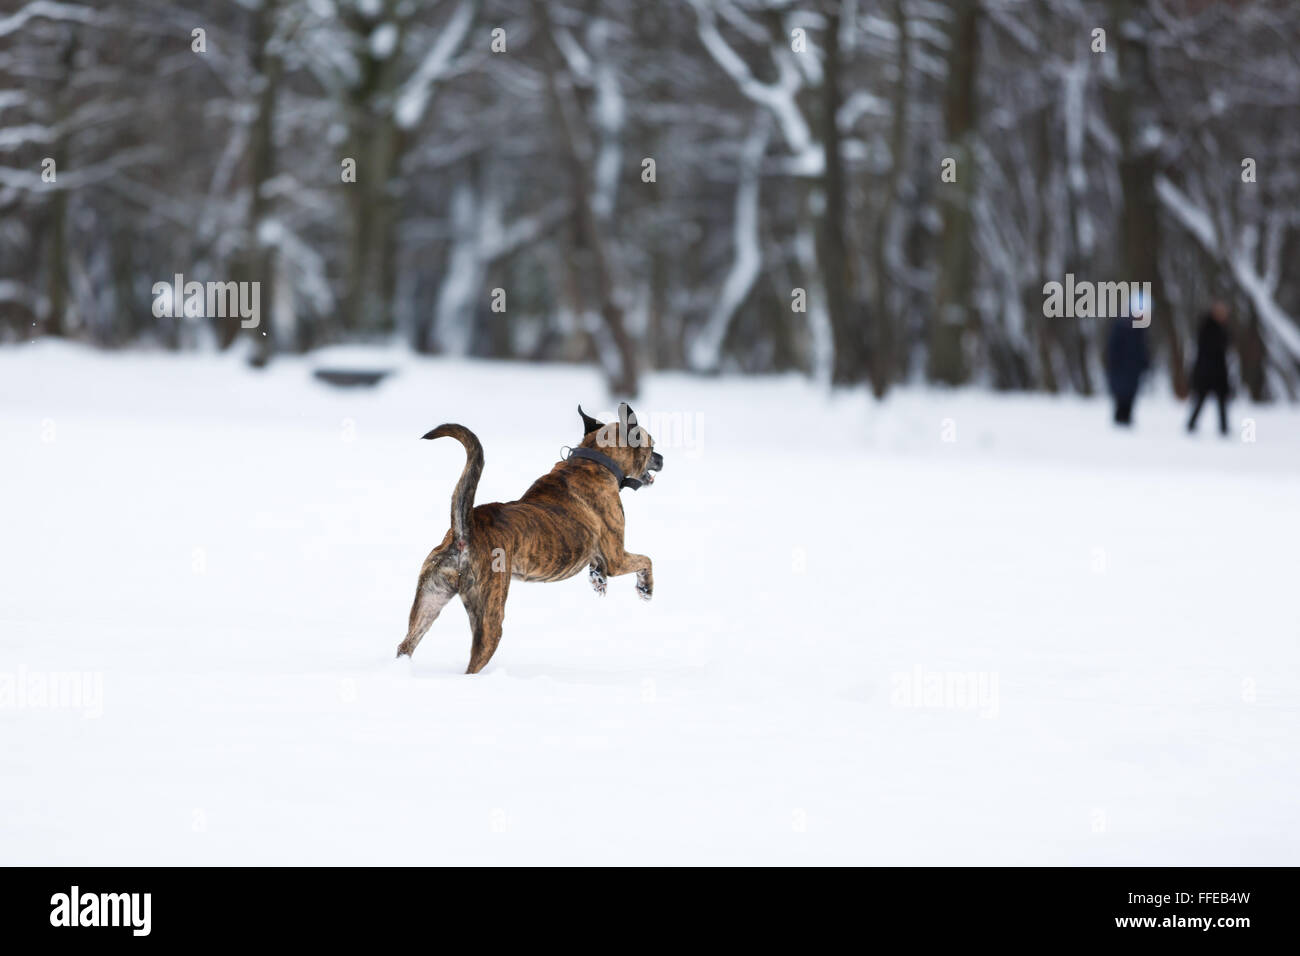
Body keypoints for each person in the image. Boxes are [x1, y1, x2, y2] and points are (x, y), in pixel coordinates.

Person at [1187, 301, 1231, 435]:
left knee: (1222, 401)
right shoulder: (1206, 327)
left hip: (1219, 372)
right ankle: (1191, 425)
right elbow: (1208, 348)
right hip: (1205, 372)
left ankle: (1224, 427)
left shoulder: (1223, 328)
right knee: (1200, 400)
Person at [1105, 310, 1150, 426]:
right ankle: (1120, 421)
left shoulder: (1139, 330)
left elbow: (1141, 349)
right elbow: (1113, 350)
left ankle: (1126, 419)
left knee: (1130, 396)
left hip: (1133, 370)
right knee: (1121, 396)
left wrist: (1144, 363)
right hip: (1121, 369)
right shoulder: (1120, 328)